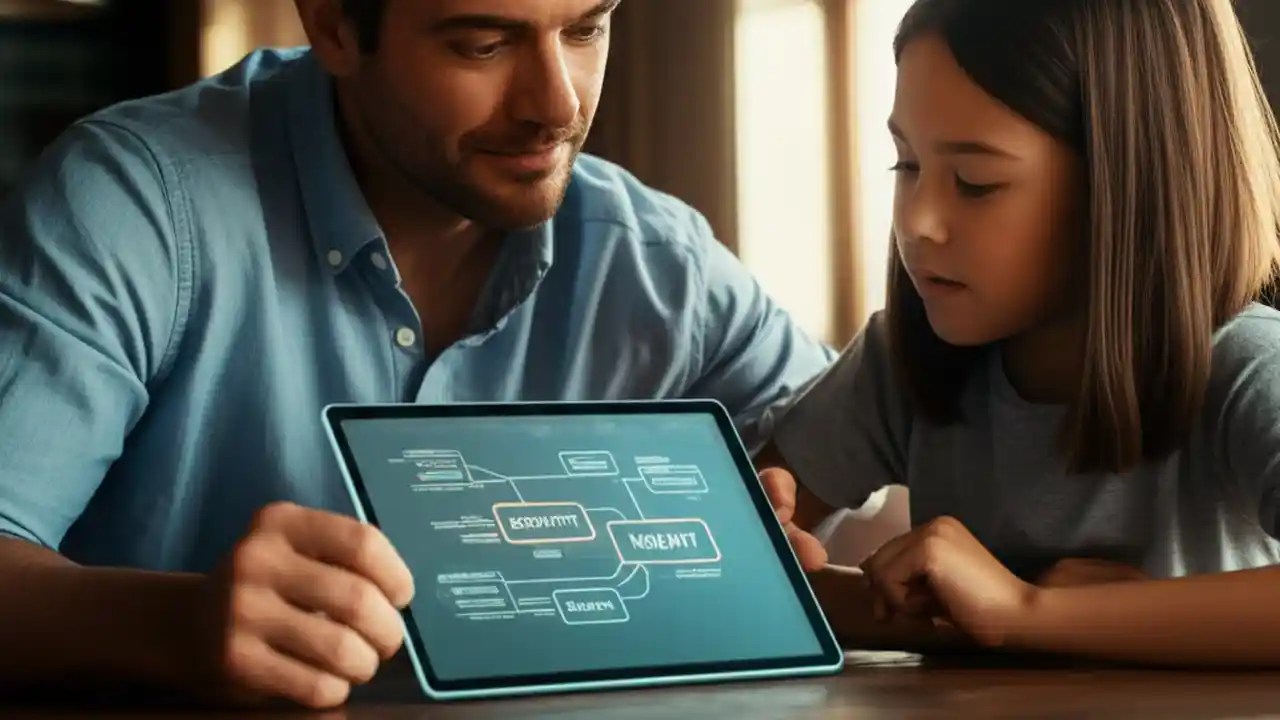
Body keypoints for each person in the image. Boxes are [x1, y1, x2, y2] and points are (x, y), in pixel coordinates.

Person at [0, 0, 834, 708]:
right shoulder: (133, 206)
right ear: (331, 24)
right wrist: (174, 626)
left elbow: (867, 475)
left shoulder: (654, 261)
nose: (556, 103)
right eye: (484, 44)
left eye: (585, 29)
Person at [760, 0, 1280, 667]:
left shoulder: (1247, 368)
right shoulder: (903, 360)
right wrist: (769, 558)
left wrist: (1031, 613)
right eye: (906, 164)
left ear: (1127, 184)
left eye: (976, 182)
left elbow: (1004, 616)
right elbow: (716, 569)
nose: (918, 222)